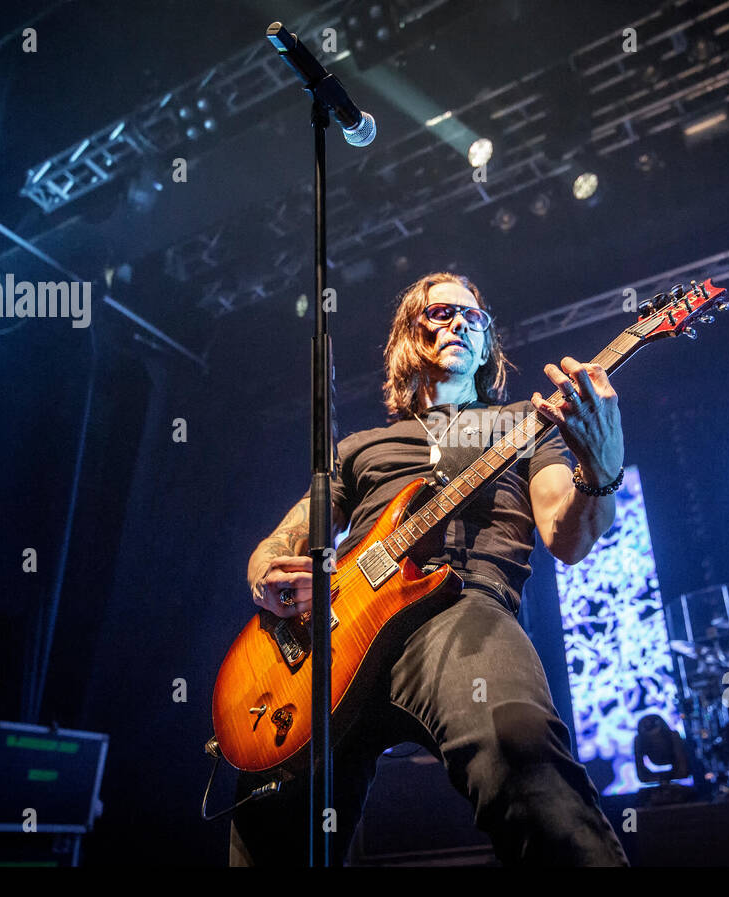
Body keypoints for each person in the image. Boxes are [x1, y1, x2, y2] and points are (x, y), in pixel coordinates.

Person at [230, 271, 631, 866]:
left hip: (463, 612)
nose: (460, 324)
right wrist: (265, 567)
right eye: (442, 312)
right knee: (271, 806)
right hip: (335, 635)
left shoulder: (525, 422)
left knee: (519, 748)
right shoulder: (360, 447)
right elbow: (290, 535)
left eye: (475, 318)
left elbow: (565, 538)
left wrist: (601, 468)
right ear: (406, 337)